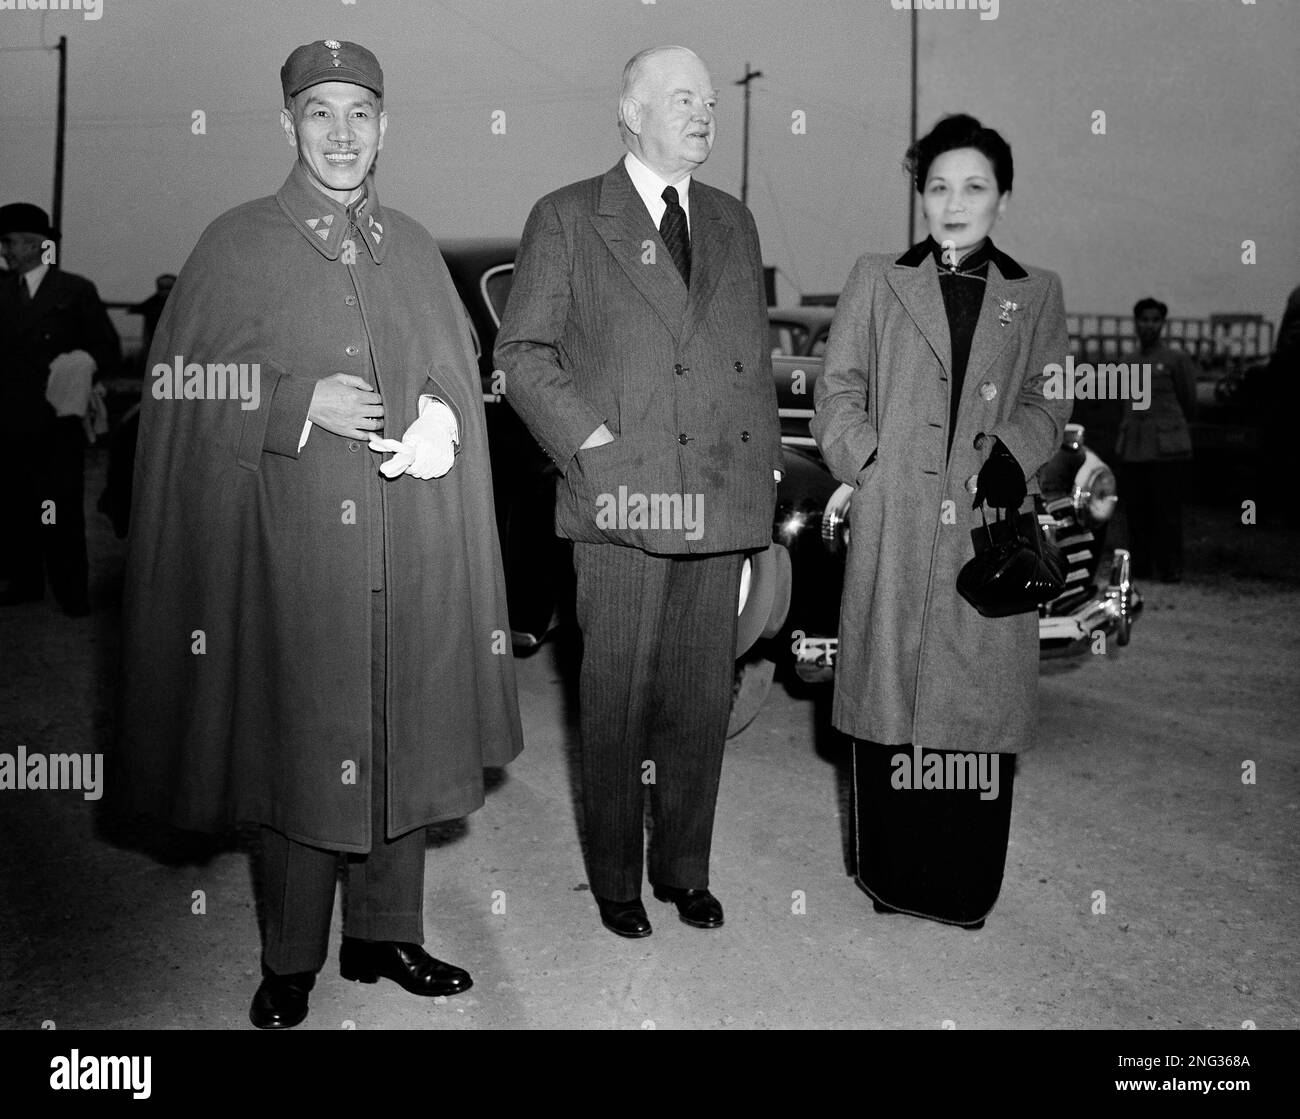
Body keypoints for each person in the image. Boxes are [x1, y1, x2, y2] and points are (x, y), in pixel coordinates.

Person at [117, 39, 523, 1029]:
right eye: (320, 113)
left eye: (360, 114)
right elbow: (175, 395)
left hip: (409, 553)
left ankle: (386, 935)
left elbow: (458, 376)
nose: (342, 134)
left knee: (401, 741)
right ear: (287, 124)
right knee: (297, 753)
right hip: (292, 557)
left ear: (385, 127)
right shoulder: (236, 243)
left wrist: (440, 419)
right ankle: (290, 959)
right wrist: (295, 403)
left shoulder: (414, 247)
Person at [495, 45, 781, 938]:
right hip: (622, 503)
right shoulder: (570, 217)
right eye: (683, 98)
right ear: (631, 110)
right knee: (614, 700)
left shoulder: (734, 221)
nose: (705, 112)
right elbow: (521, 356)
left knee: (702, 700)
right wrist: (596, 450)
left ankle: (684, 869)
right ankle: (617, 879)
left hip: (721, 504)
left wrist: (762, 483)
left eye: (709, 99)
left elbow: (753, 364)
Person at [811, 114, 1071, 929]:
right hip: (895, 526)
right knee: (892, 700)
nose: (954, 204)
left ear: (1003, 197)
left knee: (975, 708)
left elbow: (1048, 394)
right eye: (937, 186)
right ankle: (893, 881)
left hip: (982, 531)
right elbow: (838, 391)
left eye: (974, 187)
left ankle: (964, 892)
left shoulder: (1036, 293)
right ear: (919, 195)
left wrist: (1016, 452)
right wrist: (871, 468)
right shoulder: (876, 277)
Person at [0, 202, 120, 616]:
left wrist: (81, 364)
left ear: (36, 245)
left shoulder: (74, 290)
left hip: (57, 423)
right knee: (15, 505)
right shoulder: (1, 292)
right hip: (10, 420)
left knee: (62, 507)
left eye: (10, 242)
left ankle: (72, 591)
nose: (5, 251)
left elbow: (108, 348)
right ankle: (24, 581)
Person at [1114, 297, 1196, 582]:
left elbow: (1188, 400)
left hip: (1166, 450)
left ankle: (1170, 567)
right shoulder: (1127, 361)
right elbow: (1123, 403)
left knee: (1167, 512)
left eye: (1155, 320)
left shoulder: (1176, 360)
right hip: (1135, 449)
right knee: (1137, 512)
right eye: (1144, 319)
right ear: (1135, 323)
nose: (1149, 325)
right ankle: (1141, 568)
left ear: (1162, 324)